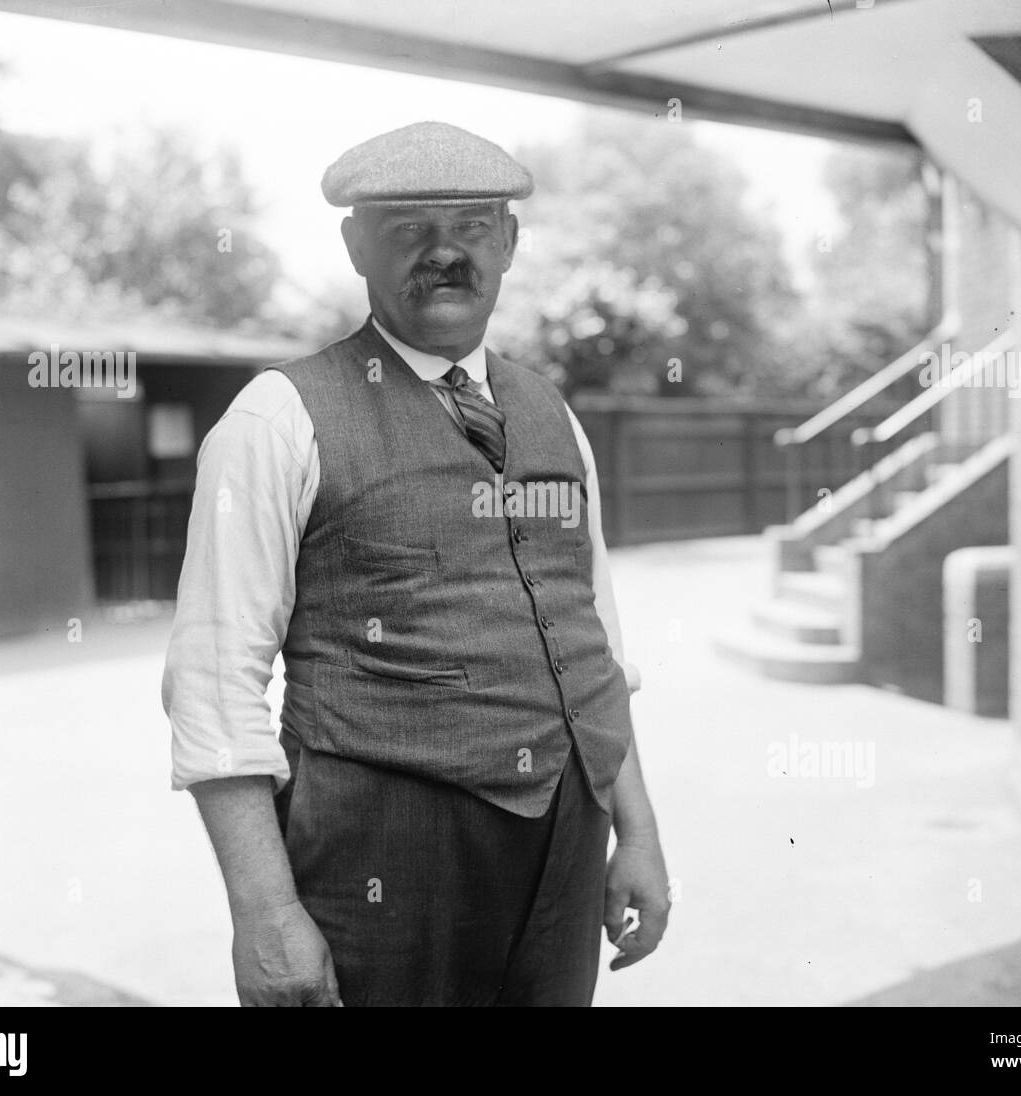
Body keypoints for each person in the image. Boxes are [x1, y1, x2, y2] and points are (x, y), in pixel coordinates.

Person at [162, 121, 669, 1007]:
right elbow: (213, 682)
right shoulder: (277, 419)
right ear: (356, 245)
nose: (445, 254)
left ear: (508, 242)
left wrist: (638, 832)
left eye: (472, 226)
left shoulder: (551, 412)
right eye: (408, 230)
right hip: (381, 853)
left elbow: (593, 644)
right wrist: (264, 913)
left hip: (564, 838)